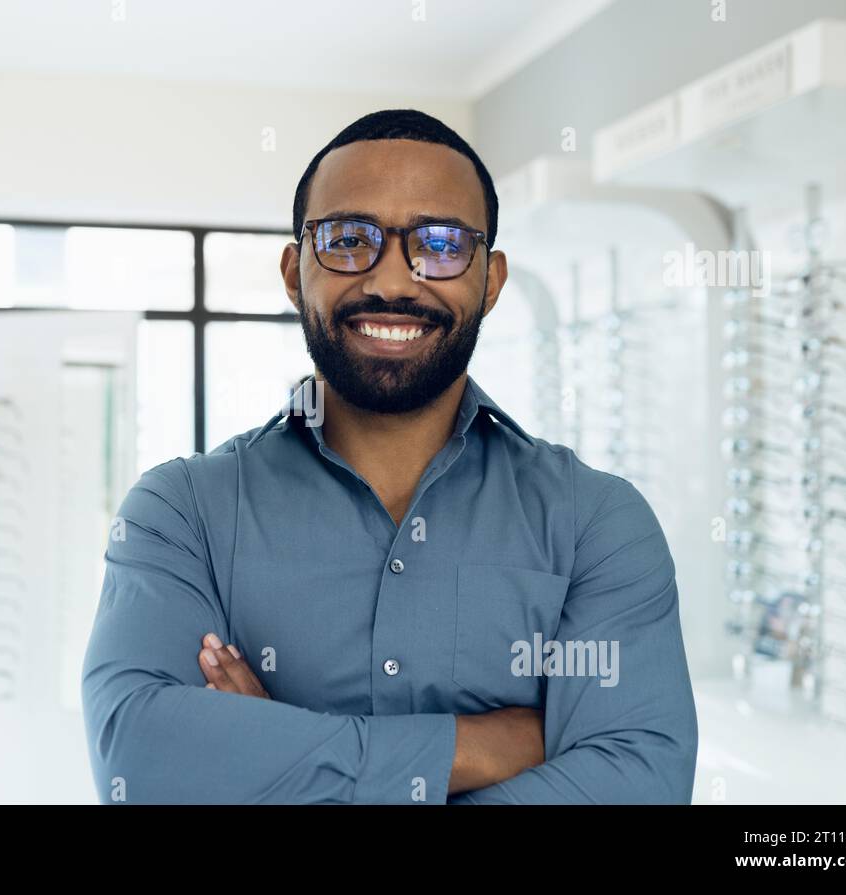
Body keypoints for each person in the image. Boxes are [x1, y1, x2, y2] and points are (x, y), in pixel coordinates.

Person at [81, 108, 698, 804]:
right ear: (294, 270)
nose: (395, 282)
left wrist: (274, 751)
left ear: (491, 281)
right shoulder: (179, 513)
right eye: (349, 239)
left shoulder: (597, 522)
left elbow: (640, 782)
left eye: (440, 243)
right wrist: (478, 746)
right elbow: (143, 761)